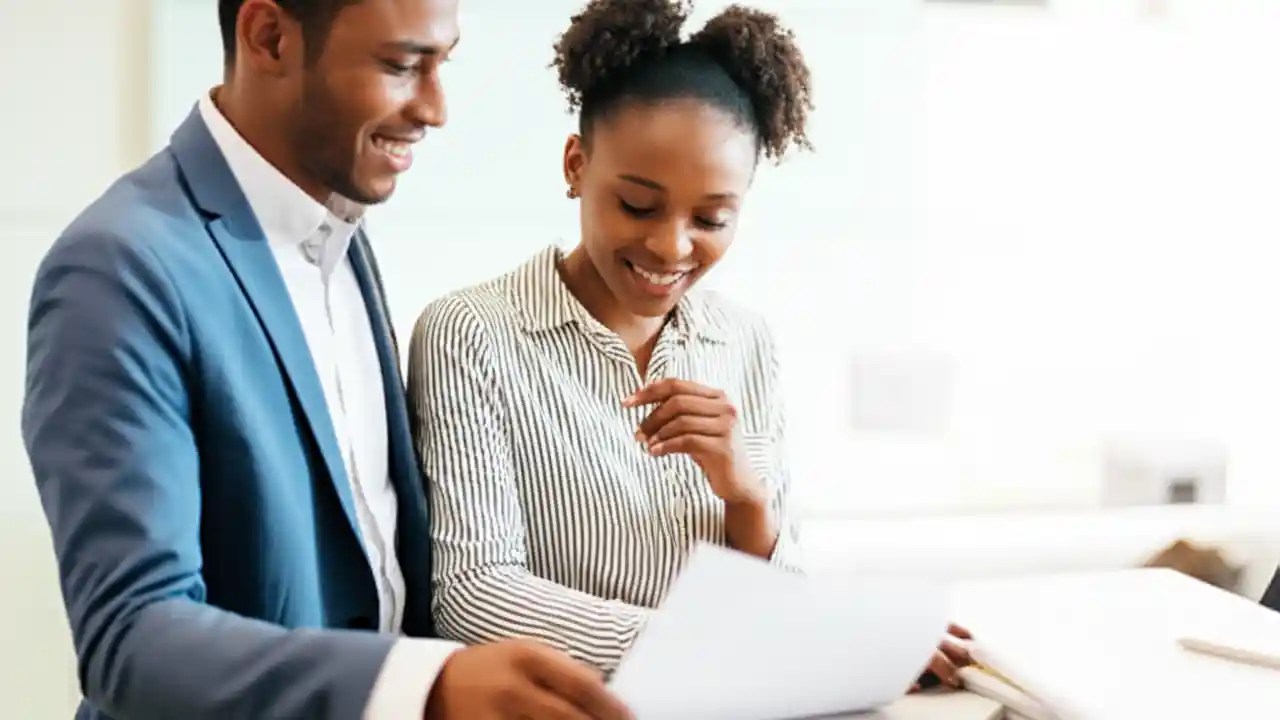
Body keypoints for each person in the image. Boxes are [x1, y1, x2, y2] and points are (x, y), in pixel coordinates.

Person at [21, 0, 632, 718]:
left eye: (444, 64)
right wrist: (425, 687)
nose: (436, 109)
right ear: (270, 37)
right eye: (402, 65)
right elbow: (130, 637)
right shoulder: (119, 267)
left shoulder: (339, 234)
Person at [408, 0, 972, 690]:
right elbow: (475, 597)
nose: (672, 245)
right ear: (577, 165)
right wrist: (743, 644)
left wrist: (750, 502)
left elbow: (779, 598)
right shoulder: (472, 334)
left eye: (712, 217)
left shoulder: (744, 342)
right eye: (638, 206)